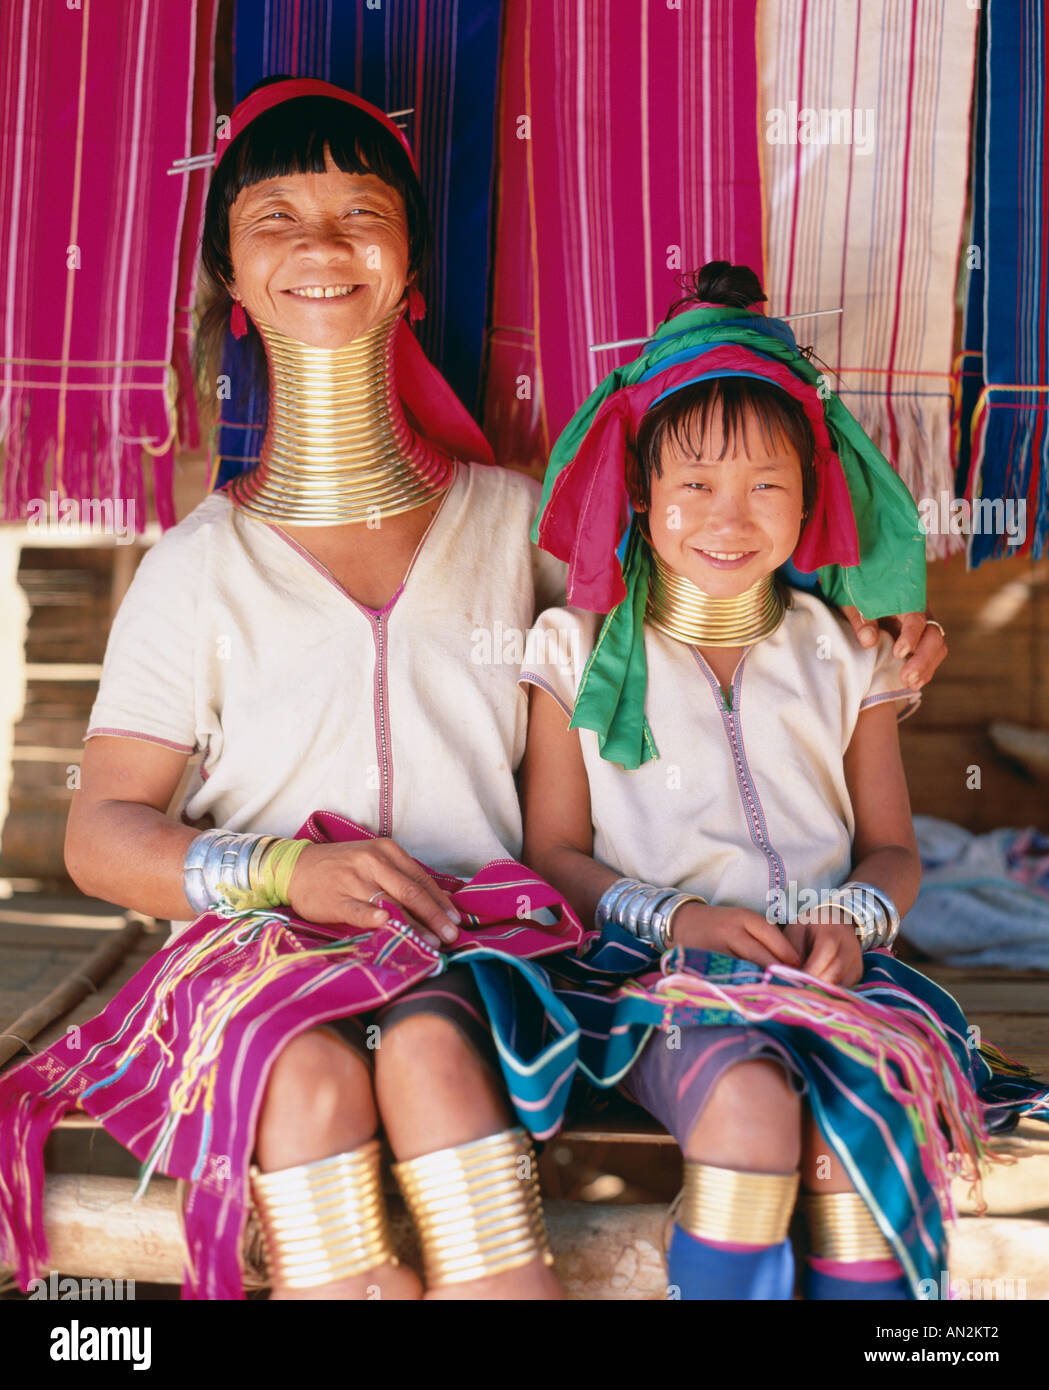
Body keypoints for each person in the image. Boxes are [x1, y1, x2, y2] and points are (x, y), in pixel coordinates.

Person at [518, 262, 1049, 1301]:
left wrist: (852, 916)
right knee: (754, 1114)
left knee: (868, 1126)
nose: (729, 515)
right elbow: (551, 855)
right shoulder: (570, 651)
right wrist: (680, 920)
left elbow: (892, 849)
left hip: (835, 983)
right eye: (693, 485)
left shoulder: (842, 654)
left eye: (765, 483)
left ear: (810, 492)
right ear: (638, 489)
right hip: (649, 982)